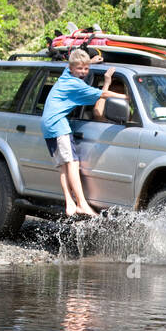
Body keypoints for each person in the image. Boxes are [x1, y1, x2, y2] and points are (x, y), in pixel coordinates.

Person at [42, 49, 118, 217]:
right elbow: (102, 94)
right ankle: (81, 203)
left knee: (64, 166)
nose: (83, 72)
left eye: (86, 69)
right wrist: (124, 97)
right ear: (71, 67)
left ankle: (70, 203)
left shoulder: (66, 74)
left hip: (50, 125)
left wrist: (90, 61)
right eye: (80, 69)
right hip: (58, 126)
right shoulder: (75, 84)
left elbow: (78, 65)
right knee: (72, 164)